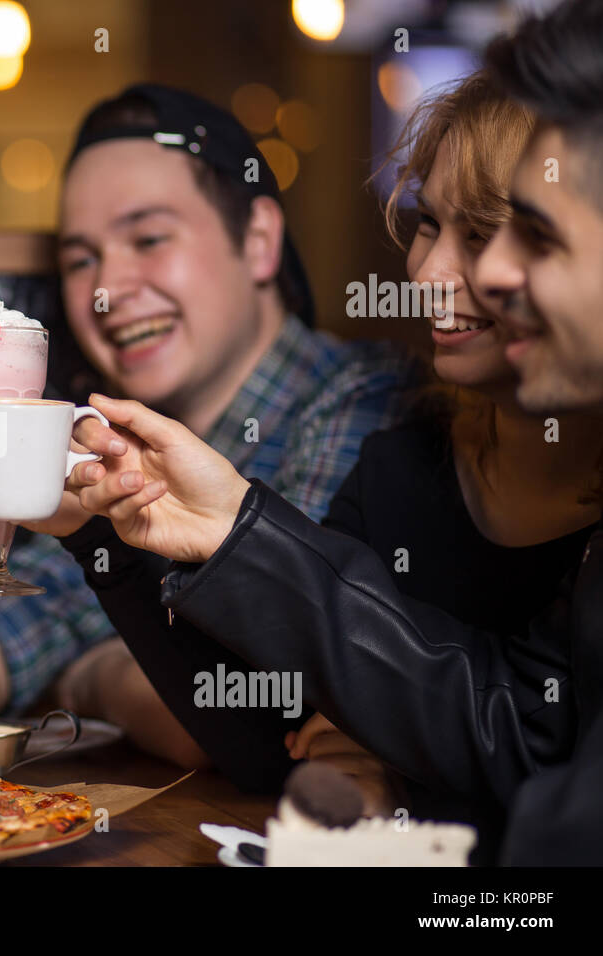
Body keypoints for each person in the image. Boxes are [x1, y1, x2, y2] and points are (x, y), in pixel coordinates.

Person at [64, 0, 603, 864]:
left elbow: (536, 764)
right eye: (428, 222)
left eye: (505, 234)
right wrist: (124, 545)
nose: (430, 275)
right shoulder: (404, 457)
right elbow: (260, 734)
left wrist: (409, 786)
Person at [0, 85, 417, 762]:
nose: (107, 291)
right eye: (81, 259)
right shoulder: (105, 435)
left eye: (148, 238)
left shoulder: (362, 400)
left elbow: (267, 707)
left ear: (258, 241)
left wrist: (94, 679)